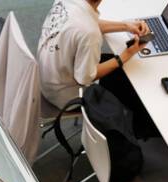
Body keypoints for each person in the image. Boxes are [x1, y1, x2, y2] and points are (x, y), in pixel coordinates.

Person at [37, 0, 158, 137]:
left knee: (124, 70)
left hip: (48, 78)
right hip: (66, 96)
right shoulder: (90, 33)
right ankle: (143, 134)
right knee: (138, 89)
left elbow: (86, 24)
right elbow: (85, 78)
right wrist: (126, 54)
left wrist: (126, 26)